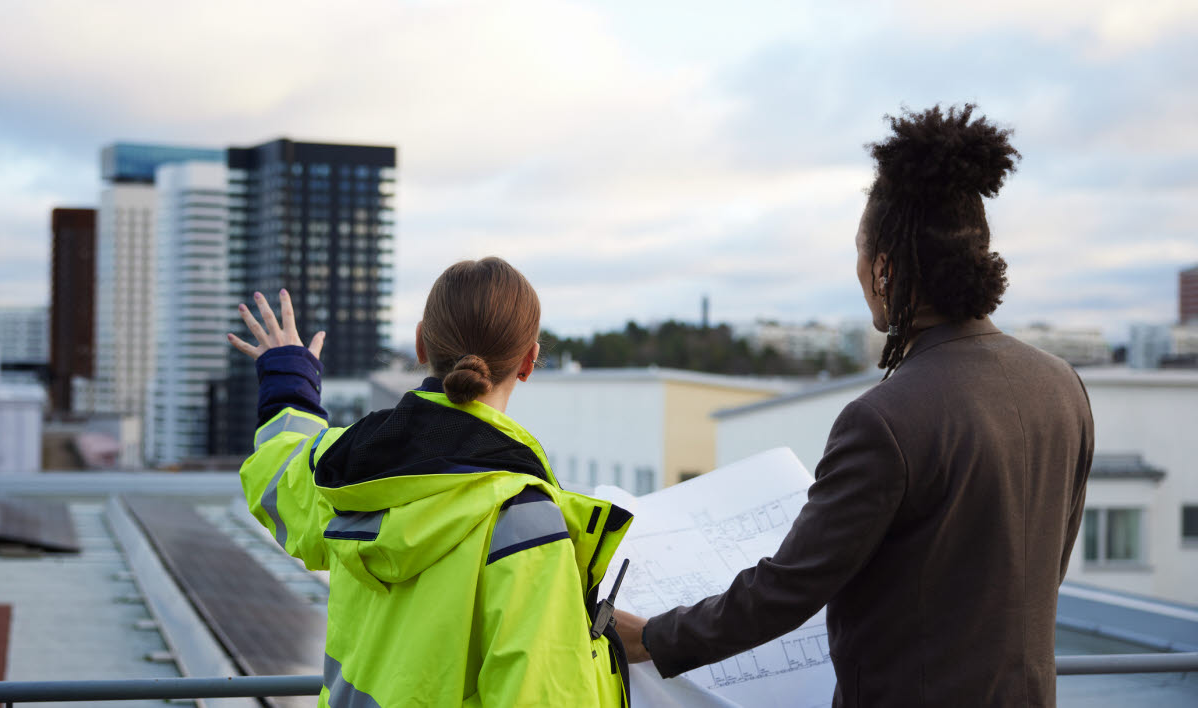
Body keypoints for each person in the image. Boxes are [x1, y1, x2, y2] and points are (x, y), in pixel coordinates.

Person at [615, 105, 1094, 707]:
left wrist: (651, 637)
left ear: (886, 269)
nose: (859, 271)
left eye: (861, 254)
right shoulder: (1062, 385)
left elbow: (785, 591)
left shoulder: (885, 420)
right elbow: (1043, 571)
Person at [232, 257, 634, 707]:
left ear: (422, 343)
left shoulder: (344, 468)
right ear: (529, 361)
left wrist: (289, 377)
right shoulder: (525, 521)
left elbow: (276, 476)